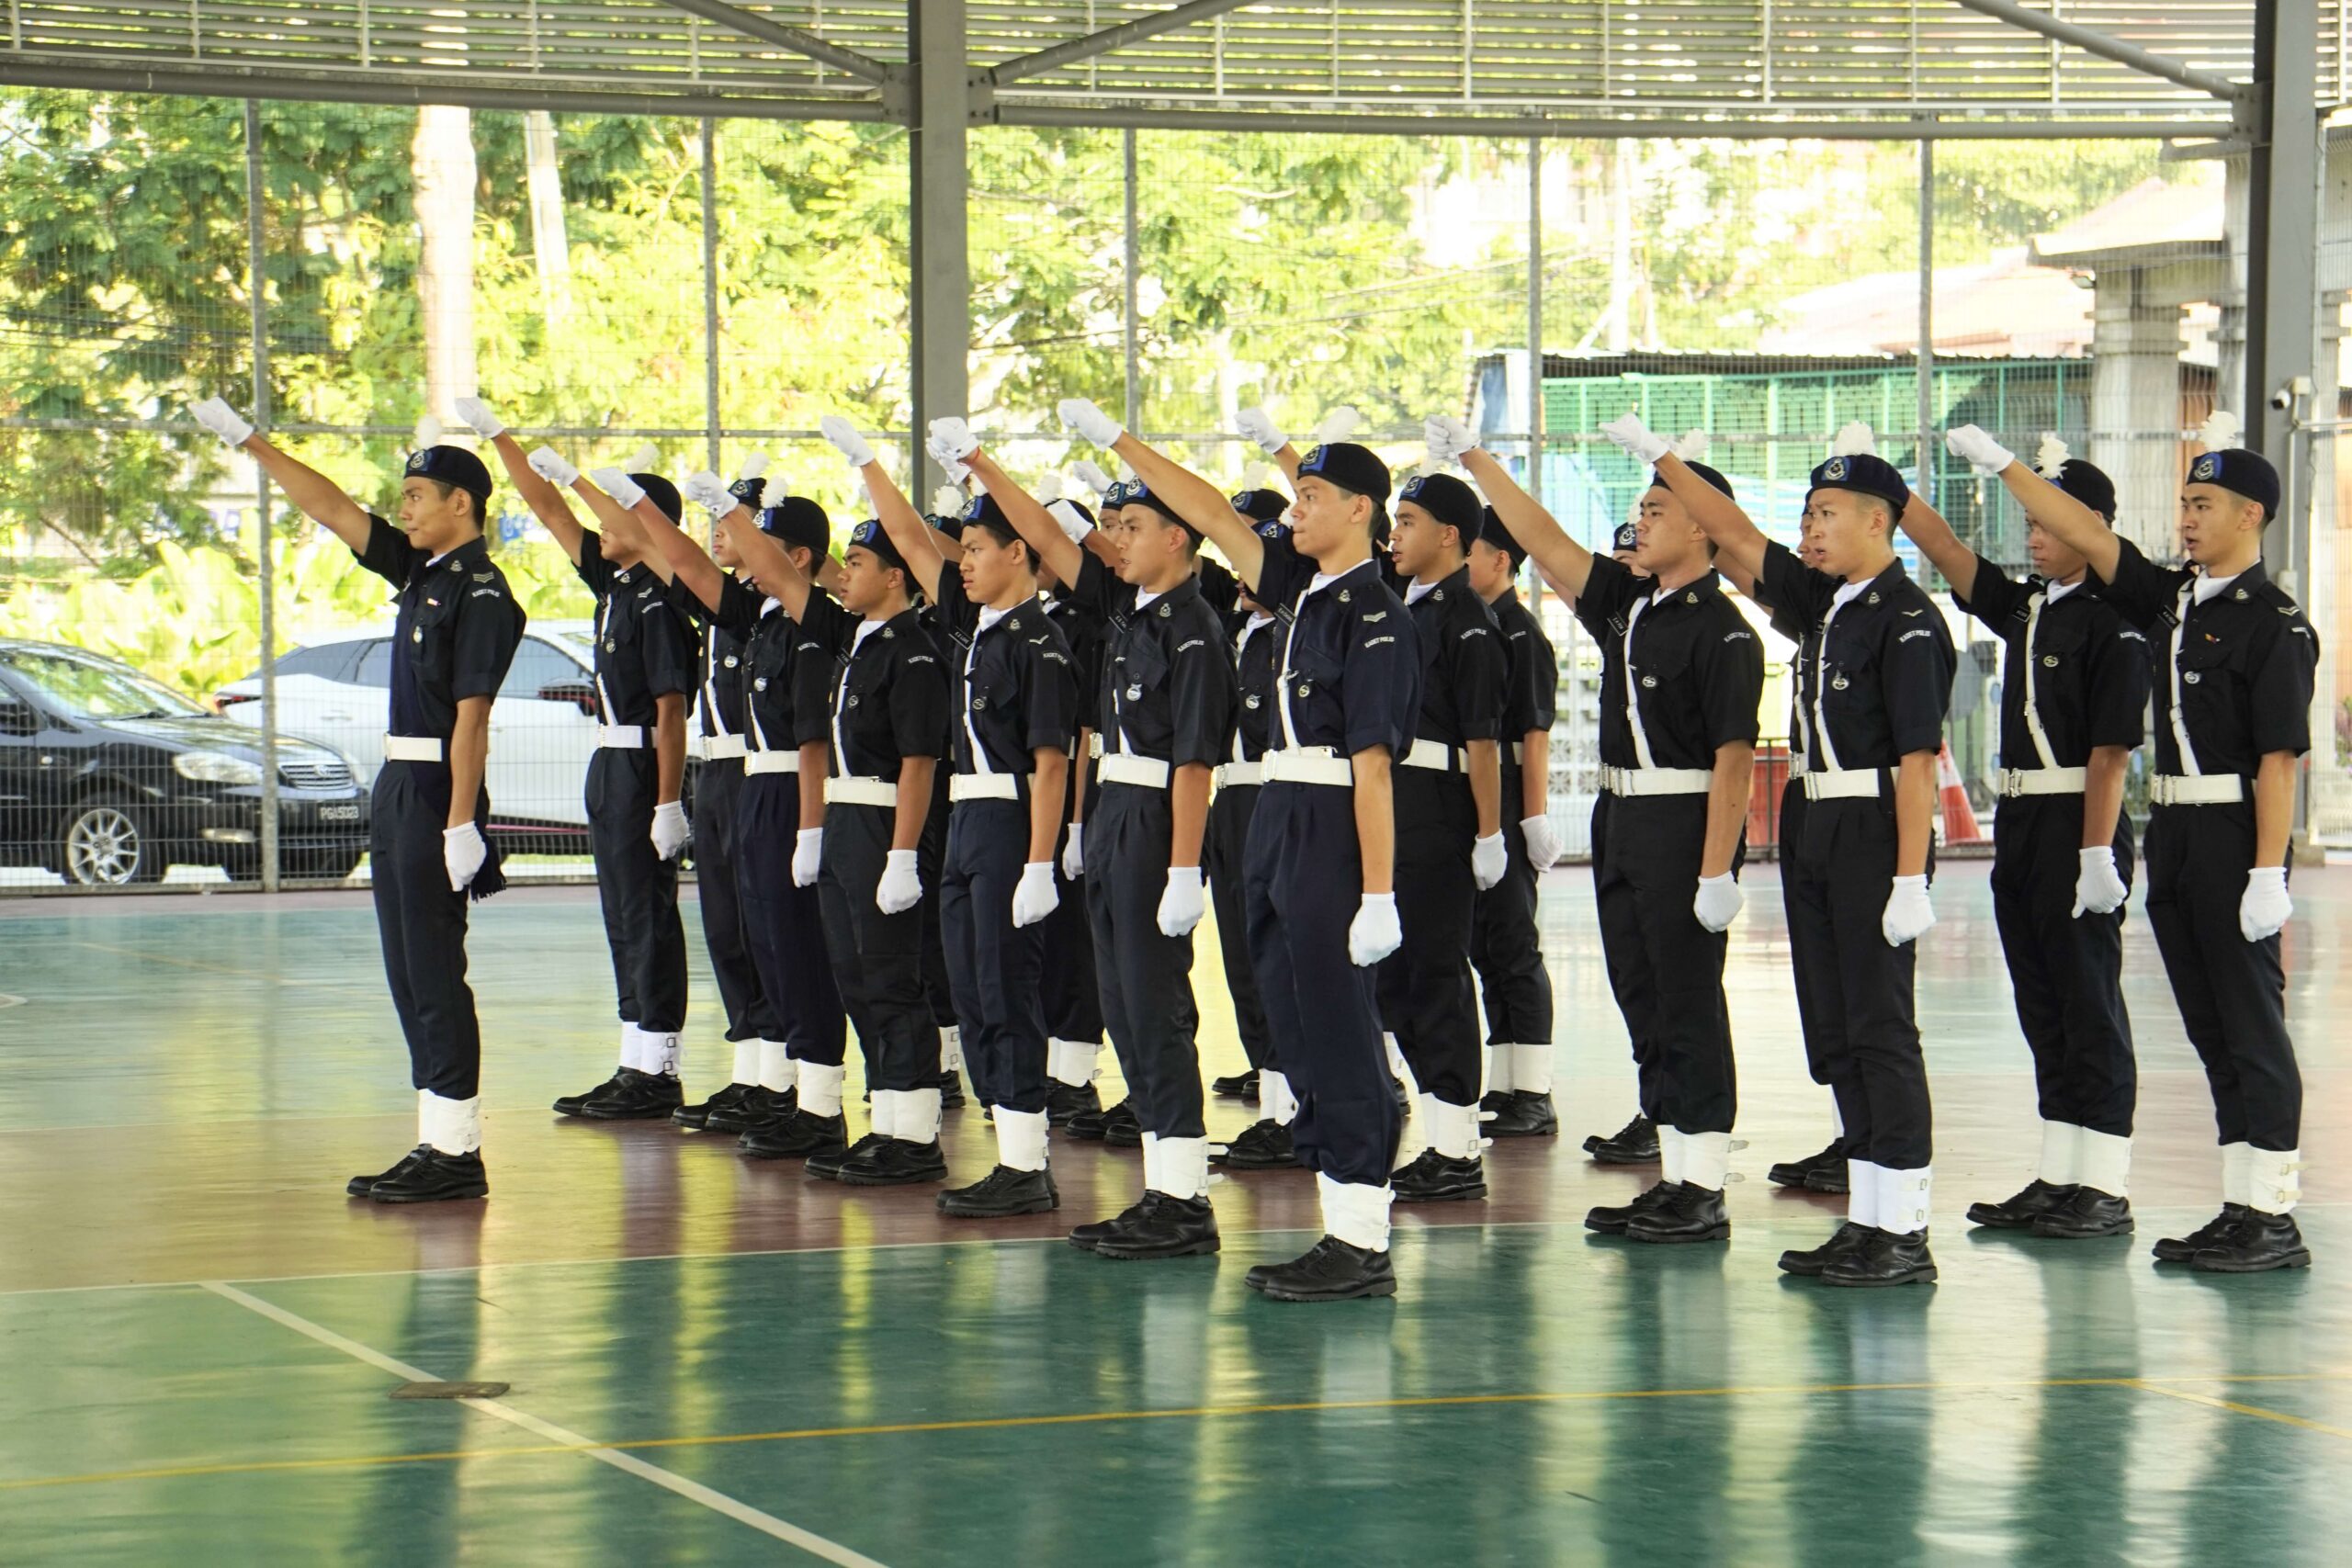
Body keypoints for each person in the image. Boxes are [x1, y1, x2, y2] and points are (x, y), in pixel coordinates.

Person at [1068, 395, 1419, 1302]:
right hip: (1276, 819)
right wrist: (1120, 441)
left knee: (1338, 1030)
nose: (1292, 508)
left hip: (1333, 822)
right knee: (1291, 1023)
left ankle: (1361, 1238)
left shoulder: (1375, 611)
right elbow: (1216, 516)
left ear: (1358, 513)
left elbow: (1374, 766)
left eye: (1311, 496)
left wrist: (1378, 892)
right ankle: (1338, 1218)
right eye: (1293, 494)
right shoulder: (1302, 594)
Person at [1949, 414, 2316, 1272]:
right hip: (2178, 832)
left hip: (2232, 830)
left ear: (2252, 516)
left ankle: (2273, 1211)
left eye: (2205, 503)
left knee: (2249, 1023)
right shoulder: (2173, 600)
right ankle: (2240, 1203)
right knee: (2208, 1025)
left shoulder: (2275, 622)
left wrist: (2268, 871)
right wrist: (2008, 468)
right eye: (2183, 502)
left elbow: (2276, 763)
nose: (2187, 518)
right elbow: (2086, 532)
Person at [1611, 414, 1953, 1287]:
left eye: (1828, 514)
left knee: (1881, 1027)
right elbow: (1730, 532)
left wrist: (1910, 875)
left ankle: (1903, 1227)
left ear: (1880, 520)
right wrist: (1661, 460)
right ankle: (1866, 1217)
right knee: (1836, 1027)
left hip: (1875, 827)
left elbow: (1917, 762)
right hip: (1813, 823)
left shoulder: (1907, 618)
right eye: (1806, 516)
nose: (1809, 532)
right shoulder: (1824, 605)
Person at [193, 398, 523, 1202]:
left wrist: (459, 824)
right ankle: (436, 1136)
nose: (403, 505)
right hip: (398, 783)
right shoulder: (423, 572)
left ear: (462, 505)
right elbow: (333, 508)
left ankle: (457, 1152)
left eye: (418, 494)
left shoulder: (482, 592)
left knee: (436, 970)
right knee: (407, 969)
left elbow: (471, 721)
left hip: (437, 787)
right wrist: (252, 443)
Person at [1443, 418, 1762, 1244]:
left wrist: (1718, 868)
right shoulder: (1632, 604)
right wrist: (1477, 460)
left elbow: (1733, 761)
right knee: (1642, 996)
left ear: (1704, 526)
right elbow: (1541, 536)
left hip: (1683, 818)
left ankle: (1703, 1184)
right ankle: (1672, 1163)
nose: (1640, 519)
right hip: (1622, 817)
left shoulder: (1724, 630)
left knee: (1687, 1002)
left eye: (1659, 507)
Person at [972, 420, 1237, 1261]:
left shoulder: (1197, 630)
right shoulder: (1130, 608)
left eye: (1130, 527)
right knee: (1121, 1006)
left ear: (1177, 537)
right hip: (1117, 812)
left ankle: (1185, 1198)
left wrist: (1185, 869)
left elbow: (1194, 762)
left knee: (1155, 1008)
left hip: (1162, 821)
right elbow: (1045, 533)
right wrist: (982, 464)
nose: (1113, 541)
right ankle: (1162, 1187)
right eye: (1112, 527)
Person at [1894, 437, 2148, 1240]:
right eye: (2028, 521)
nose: (2031, 536)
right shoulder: (2031, 607)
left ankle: (2102, 1184)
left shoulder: (2119, 618)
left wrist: (2097, 852)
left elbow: (2110, 752)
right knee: (2044, 1002)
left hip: (2081, 822)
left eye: (2046, 521)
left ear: (2093, 526)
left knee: (2088, 1000)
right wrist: (1885, 490)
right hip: (2026, 825)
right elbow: (1947, 551)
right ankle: (2061, 1172)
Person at [839, 423, 1081, 1218]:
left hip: (1012, 824)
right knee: (972, 993)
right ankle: (1010, 1149)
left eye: (979, 547)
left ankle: (1027, 1161)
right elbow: (909, 536)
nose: (964, 560)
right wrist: (868, 462)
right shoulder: (975, 629)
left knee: (1007, 992)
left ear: (1021, 555)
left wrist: (1042, 862)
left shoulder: (1040, 641)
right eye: (965, 549)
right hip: (967, 820)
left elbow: (1053, 762)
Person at [622, 469, 857, 1165]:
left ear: (801, 559)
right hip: (755, 787)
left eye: (764, 545)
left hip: (792, 793)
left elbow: (812, 740)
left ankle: (819, 1101)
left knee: (801, 951)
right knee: (765, 944)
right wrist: (639, 507)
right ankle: (788, 1087)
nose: (746, 555)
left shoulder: (815, 622)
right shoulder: (758, 616)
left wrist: (811, 830)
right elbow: (691, 564)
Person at [477, 429, 695, 1121]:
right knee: (621, 917)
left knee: (647, 915)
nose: (599, 528)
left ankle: (658, 1066)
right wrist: (499, 439)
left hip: (640, 763)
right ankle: (632, 1057)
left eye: (613, 518)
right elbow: (548, 511)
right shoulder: (617, 585)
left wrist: (667, 801)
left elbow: (670, 711)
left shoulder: (661, 601)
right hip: (608, 761)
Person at [752, 435, 952, 1186]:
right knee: (855, 973)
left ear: (895, 577)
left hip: (882, 825)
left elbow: (918, 763)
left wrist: (903, 853)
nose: (845, 577)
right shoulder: (859, 645)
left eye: (859, 565)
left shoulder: (914, 650)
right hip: (843, 822)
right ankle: (887, 1116)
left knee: (893, 975)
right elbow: (778, 573)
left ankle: (916, 1127)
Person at [1375, 471, 1510, 1202]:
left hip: (1438, 809)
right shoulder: (1404, 608)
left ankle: (1457, 1149)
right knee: (1397, 977)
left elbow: (1482, 743)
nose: (1395, 534)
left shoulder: (1467, 619)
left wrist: (1488, 833)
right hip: (1397, 805)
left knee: (1435, 974)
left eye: (1408, 521)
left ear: (1449, 535)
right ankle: (1437, 1132)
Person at [652, 455, 791, 1134]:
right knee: (725, 930)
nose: (719, 533)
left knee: (761, 925)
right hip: (716, 775)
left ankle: (778, 1077)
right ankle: (749, 1070)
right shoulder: (725, 603)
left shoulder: (763, 609)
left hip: (754, 774)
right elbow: (674, 560)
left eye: (734, 523)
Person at [1207, 483, 1300, 1169]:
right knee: (1243, 958)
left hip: (1276, 799)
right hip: (1229, 801)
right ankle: (1274, 1096)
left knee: (1280, 958)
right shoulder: (1240, 629)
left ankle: (1293, 1105)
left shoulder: (1294, 626)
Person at [1466, 504, 1564, 1139]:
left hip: (1504, 795)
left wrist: (1530, 818)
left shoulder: (1520, 632)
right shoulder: (1477, 622)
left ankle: (1534, 1088)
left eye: (1471, 550)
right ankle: (1505, 1080)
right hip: (1481, 797)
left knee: (1514, 946)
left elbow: (1532, 735)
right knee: (1488, 949)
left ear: (1500, 559)